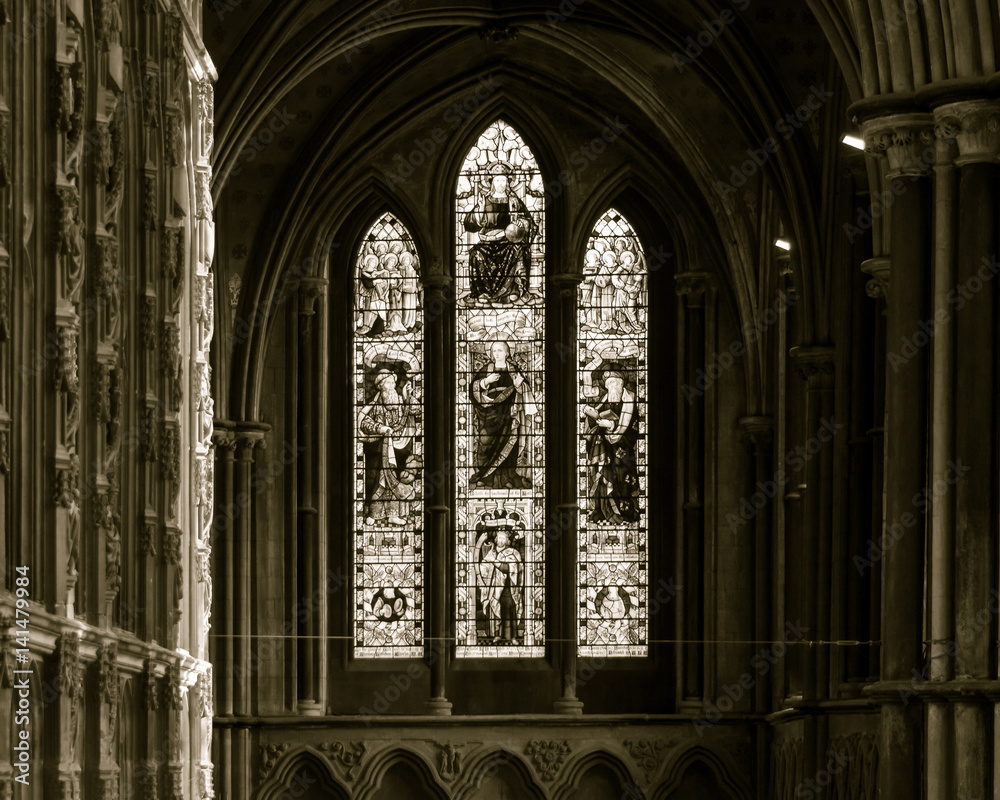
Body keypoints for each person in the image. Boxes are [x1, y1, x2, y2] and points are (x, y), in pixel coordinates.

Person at [463, 161, 536, 302]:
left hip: (508, 240)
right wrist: (479, 210)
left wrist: (522, 223)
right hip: (487, 241)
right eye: (497, 180)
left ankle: (514, 290)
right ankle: (482, 292)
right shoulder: (484, 201)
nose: (501, 183)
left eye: (503, 180)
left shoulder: (514, 201)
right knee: (475, 253)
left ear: (508, 182)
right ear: (492, 183)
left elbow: (530, 222)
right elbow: (469, 224)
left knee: (517, 250)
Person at [470, 341, 534, 489]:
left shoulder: (513, 370)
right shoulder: (487, 370)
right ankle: (485, 477)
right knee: (486, 441)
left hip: (509, 412)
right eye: (494, 351)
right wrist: (486, 381)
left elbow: (524, 389)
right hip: (489, 412)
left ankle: (507, 477)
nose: (497, 353)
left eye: (500, 350)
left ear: (507, 353)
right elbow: (473, 389)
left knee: (509, 441)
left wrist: (519, 385)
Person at [358, 368, 417, 526]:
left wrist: (407, 396)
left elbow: (414, 412)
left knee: (396, 479)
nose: (392, 386)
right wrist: (380, 428)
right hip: (377, 448)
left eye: (393, 382)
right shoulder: (375, 404)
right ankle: (374, 513)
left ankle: (393, 515)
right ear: (381, 386)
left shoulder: (399, 400)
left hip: (399, 448)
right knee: (378, 480)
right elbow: (364, 421)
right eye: (388, 383)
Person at [584, 370, 640, 524]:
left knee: (622, 479)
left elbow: (634, 427)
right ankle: (602, 511)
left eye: (614, 383)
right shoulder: (607, 397)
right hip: (606, 449)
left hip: (623, 450)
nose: (611, 387)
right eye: (608, 384)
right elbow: (598, 414)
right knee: (603, 477)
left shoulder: (631, 399)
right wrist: (593, 415)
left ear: (621, 384)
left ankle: (625, 513)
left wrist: (612, 426)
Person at [478, 529, 522, 643]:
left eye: (503, 538)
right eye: (499, 537)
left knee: (510, 610)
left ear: (507, 540)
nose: (501, 540)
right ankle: (496, 635)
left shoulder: (512, 552)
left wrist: (496, 562)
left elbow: (512, 568)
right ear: (496, 539)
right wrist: (482, 573)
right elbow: (484, 565)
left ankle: (512, 637)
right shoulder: (491, 552)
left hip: (508, 587)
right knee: (494, 609)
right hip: (493, 587)